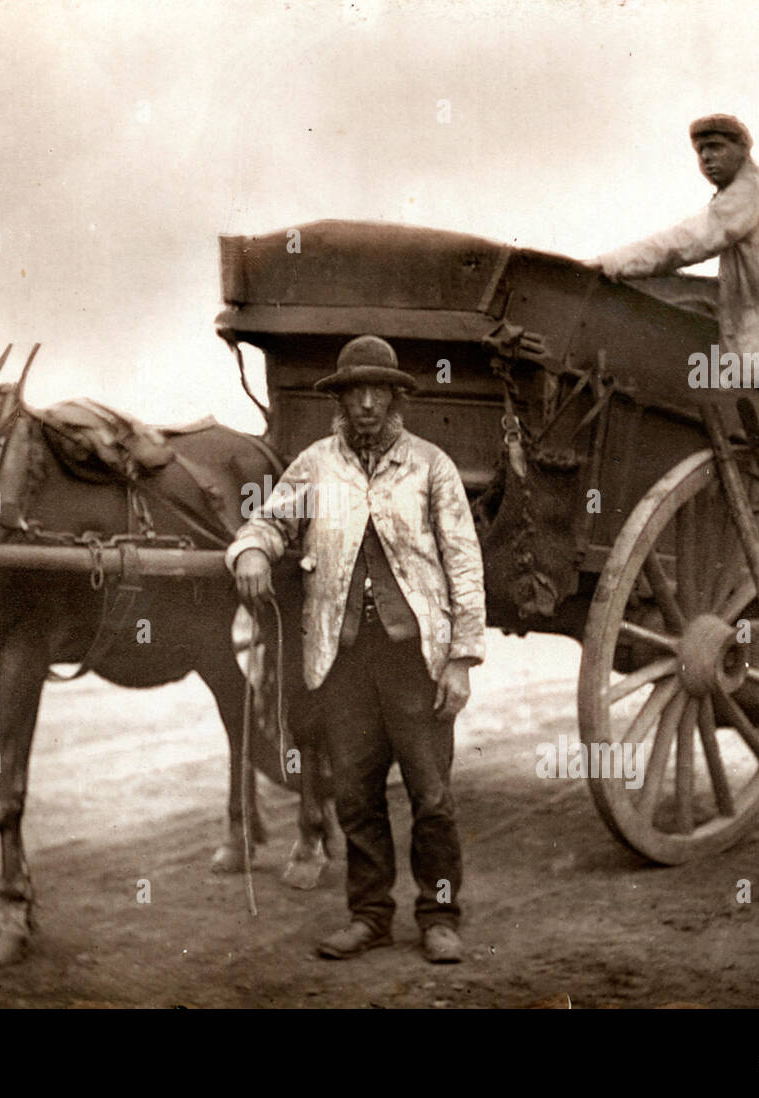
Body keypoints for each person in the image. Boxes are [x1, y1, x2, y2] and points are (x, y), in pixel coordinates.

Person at [227, 335, 486, 964]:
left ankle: (439, 915)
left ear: (396, 397)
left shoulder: (430, 467)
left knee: (431, 796)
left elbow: (464, 565)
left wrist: (460, 659)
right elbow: (270, 519)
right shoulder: (316, 465)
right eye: (355, 392)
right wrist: (254, 548)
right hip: (341, 661)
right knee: (355, 796)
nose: (367, 403)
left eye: (379, 391)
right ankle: (369, 915)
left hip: (414, 660)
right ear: (340, 400)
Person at [589, 113, 759, 646]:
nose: (707, 159)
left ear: (742, 148)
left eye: (716, 147)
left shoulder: (744, 195)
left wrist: (610, 265)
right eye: (699, 151)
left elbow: (687, 242)